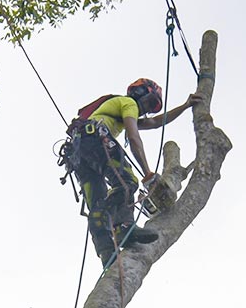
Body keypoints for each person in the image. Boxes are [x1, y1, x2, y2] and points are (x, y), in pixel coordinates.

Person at [66, 78, 202, 266]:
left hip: (77, 153)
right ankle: (124, 227)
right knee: (127, 181)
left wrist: (185, 106)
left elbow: (155, 121)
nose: (146, 110)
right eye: (149, 102)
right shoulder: (128, 103)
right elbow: (133, 136)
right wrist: (147, 172)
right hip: (96, 138)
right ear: (139, 94)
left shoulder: (118, 110)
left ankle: (107, 252)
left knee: (97, 201)